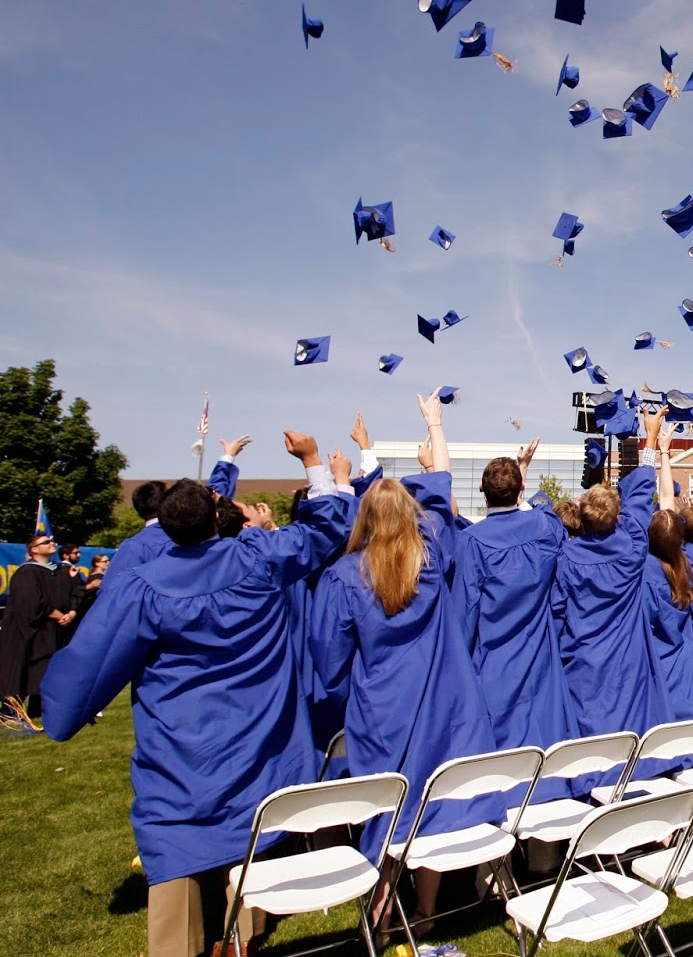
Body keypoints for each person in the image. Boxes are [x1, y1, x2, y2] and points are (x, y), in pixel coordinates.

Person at [43, 431, 355, 957]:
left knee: (179, 843)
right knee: (249, 829)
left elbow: (90, 659)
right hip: (254, 732)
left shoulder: (143, 584)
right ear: (216, 519)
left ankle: (203, 940)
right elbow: (327, 526)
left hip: (185, 742)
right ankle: (245, 933)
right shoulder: (257, 560)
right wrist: (314, 463)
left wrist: (63, 709)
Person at [311, 391, 498, 932]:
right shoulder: (433, 556)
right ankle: (424, 910)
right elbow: (441, 488)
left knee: (390, 805)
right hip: (443, 699)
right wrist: (437, 425)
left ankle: (385, 908)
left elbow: (328, 663)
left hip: (382, 706)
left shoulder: (346, 576)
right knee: (432, 802)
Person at [552, 405, 672, 735]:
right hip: (628, 654)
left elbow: (557, 609)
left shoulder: (566, 557)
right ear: (617, 518)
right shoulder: (633, 547)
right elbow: (640, 494)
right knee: (632, 733)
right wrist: (650, 435)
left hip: (585, 655)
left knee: (591, 735)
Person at [457, 437, 576, 754]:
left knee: (502, 757)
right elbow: (544, 509)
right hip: (540, 656)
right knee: (545, 753)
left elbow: (465, 614)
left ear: (482, 492)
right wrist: (522, 469)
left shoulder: (471, 541)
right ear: (520, 488)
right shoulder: (545, 527)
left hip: (496, 660)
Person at [644, 427, 693, 721]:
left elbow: (665, 501)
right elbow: (668, 500)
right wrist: (665, 453)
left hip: (660, 663)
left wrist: (658, 450)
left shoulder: (646, 570)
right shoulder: (685, 566)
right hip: (685, 662)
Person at [0, 532, 74, 719]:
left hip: (53, 630)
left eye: (52, 541)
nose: (52, 543)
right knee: (23, 668)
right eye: (46, 542)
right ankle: (10, 710)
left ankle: (40, 708)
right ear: (34, 549)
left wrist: (72, 612)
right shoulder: (26, 572)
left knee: (48, 669)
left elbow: (75, 593)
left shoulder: (59, 571)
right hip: (28, 631)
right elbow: (31, 602)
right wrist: (59, 615)